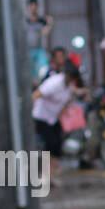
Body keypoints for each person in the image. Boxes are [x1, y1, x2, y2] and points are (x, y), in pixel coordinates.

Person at [31, 48, 71, 188]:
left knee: (56, 145)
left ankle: (50, 175)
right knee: (49, 145)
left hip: (54, 117)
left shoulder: (67, 80)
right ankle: (44, 176)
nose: (61, 59)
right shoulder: (51, 77)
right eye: (59, 56)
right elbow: (37, 94)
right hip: (42, 116)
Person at [24, 0, 53, 81]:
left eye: (35, 5)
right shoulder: (25, 21)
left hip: (39, 49)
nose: (33, 7)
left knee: (44, 68)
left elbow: (45, 33)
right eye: (31, 5)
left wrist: (49, 24)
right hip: (28, 49)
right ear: (28, 7)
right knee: (31, 71)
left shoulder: (41, 21)